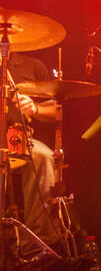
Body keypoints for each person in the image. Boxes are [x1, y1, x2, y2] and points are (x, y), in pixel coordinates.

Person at [4, 51, 62, 252]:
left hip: (17, 139)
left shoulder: (33, 66)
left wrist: (35, 108)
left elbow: (55, 110)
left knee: (43, 156)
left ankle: (38, 243)